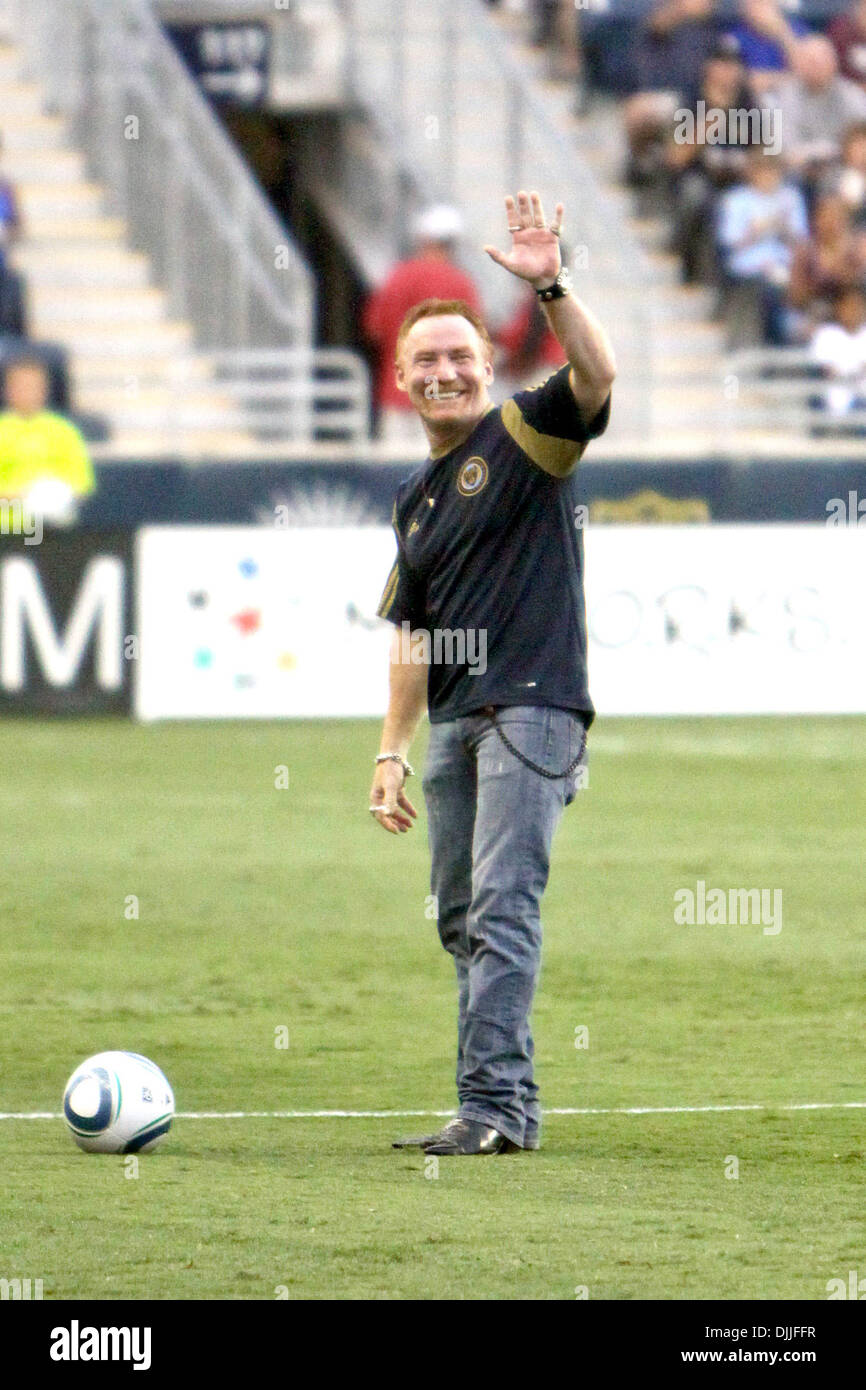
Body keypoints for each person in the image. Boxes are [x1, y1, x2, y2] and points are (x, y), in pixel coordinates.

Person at [369, 190, 615, 1156]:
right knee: (464, 919)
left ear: (488, 367)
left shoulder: (523, 436)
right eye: (426, 359)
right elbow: (410, 632)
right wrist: (389, 752)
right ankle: (495, 1100)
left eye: (461, 357)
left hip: (533, 712)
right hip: (456, 725)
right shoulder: (414, 499)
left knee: (503, 908)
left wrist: (550, 285)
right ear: (400, 377)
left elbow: (595, 377)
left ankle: (497, 1111)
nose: (445, 372)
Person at [362, 205, 482, 444]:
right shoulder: (461, 283)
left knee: (396, 470)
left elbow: (373, 330)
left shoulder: (397, 277)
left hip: (398, 390)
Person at [716, 148, 809, 345]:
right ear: (752, 173)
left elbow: (802, 242)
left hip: (784, 265)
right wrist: (755, 231)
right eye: (762, 171)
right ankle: (774, 342)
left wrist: (783, 227)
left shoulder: (790, 198)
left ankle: (786, 339)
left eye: (772, 171)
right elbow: (729, 244)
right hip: (748, 267)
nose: (768, 177)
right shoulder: (736, 200)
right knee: (767, 294)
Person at [0, 355, 95, 525]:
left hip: (56, 529)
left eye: (33, 387)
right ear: (8, 390)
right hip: (9, 529)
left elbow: (82, 485)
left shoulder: (65, 431)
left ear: (44, 390)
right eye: (21, 387)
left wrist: (53, 495)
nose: (27, 393)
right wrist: (25, 497)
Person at [810, 284, 866, 423]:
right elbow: (826, 369)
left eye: (857, 306)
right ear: (839, 308)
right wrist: (854, 371)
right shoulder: (825, 334)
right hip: (832, 393)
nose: (853, 311)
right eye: (848, 306)